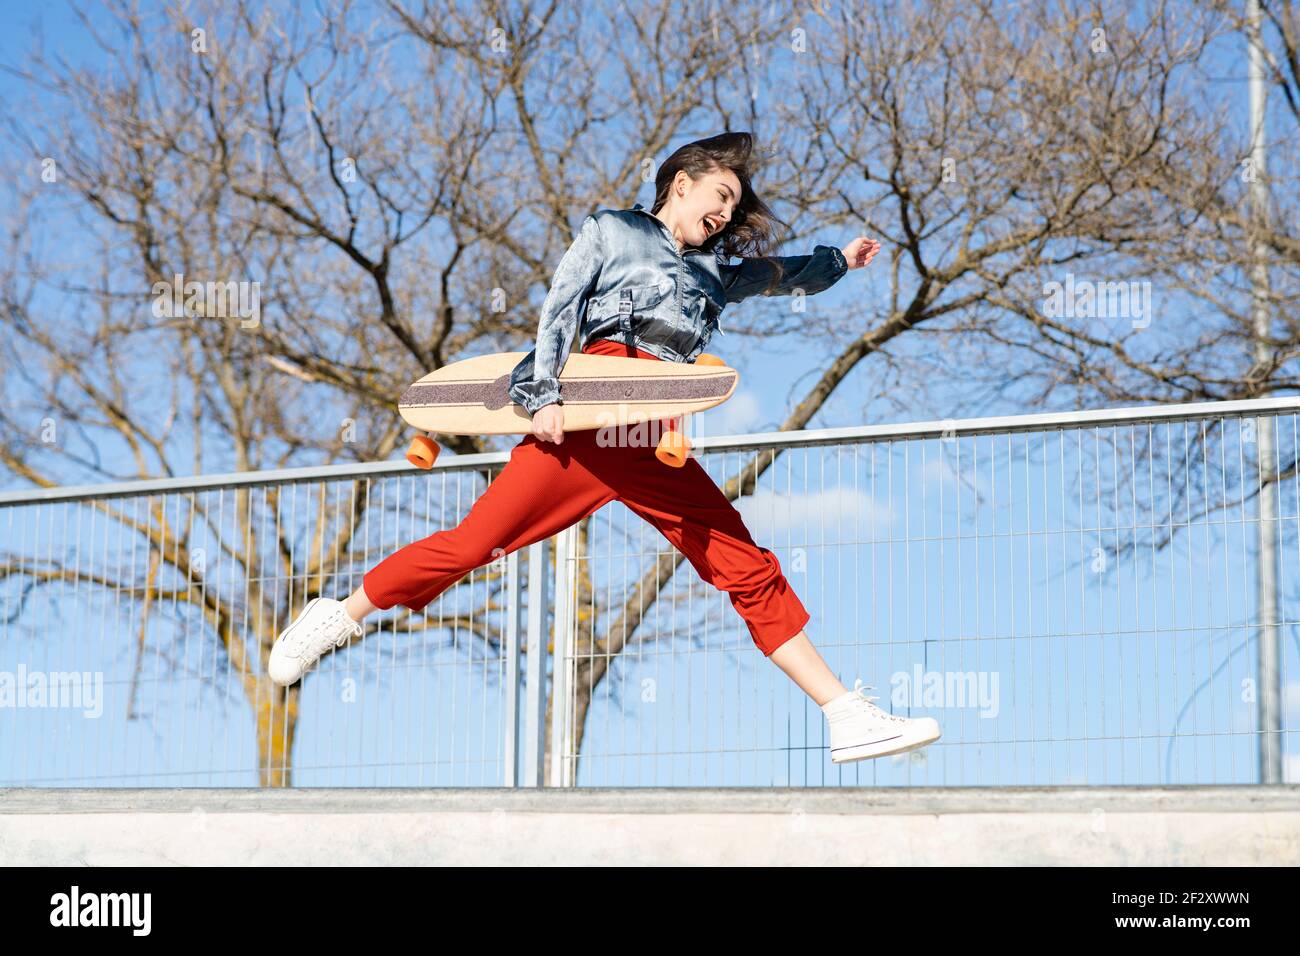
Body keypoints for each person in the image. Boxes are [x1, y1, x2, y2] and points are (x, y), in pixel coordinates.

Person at [269, 132, 940, 763]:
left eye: (735, 207)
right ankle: (338, 616)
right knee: (474, 544)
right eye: (722, 197)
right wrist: (543, 396)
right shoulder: (613, 230)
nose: (726, 213)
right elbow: (560, 308)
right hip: (583, 425)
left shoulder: (716, 274)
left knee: (745, 563)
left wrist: (838, 262)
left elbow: (783, 275)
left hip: (647, 435)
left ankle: (844, 713)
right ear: (682, 183)